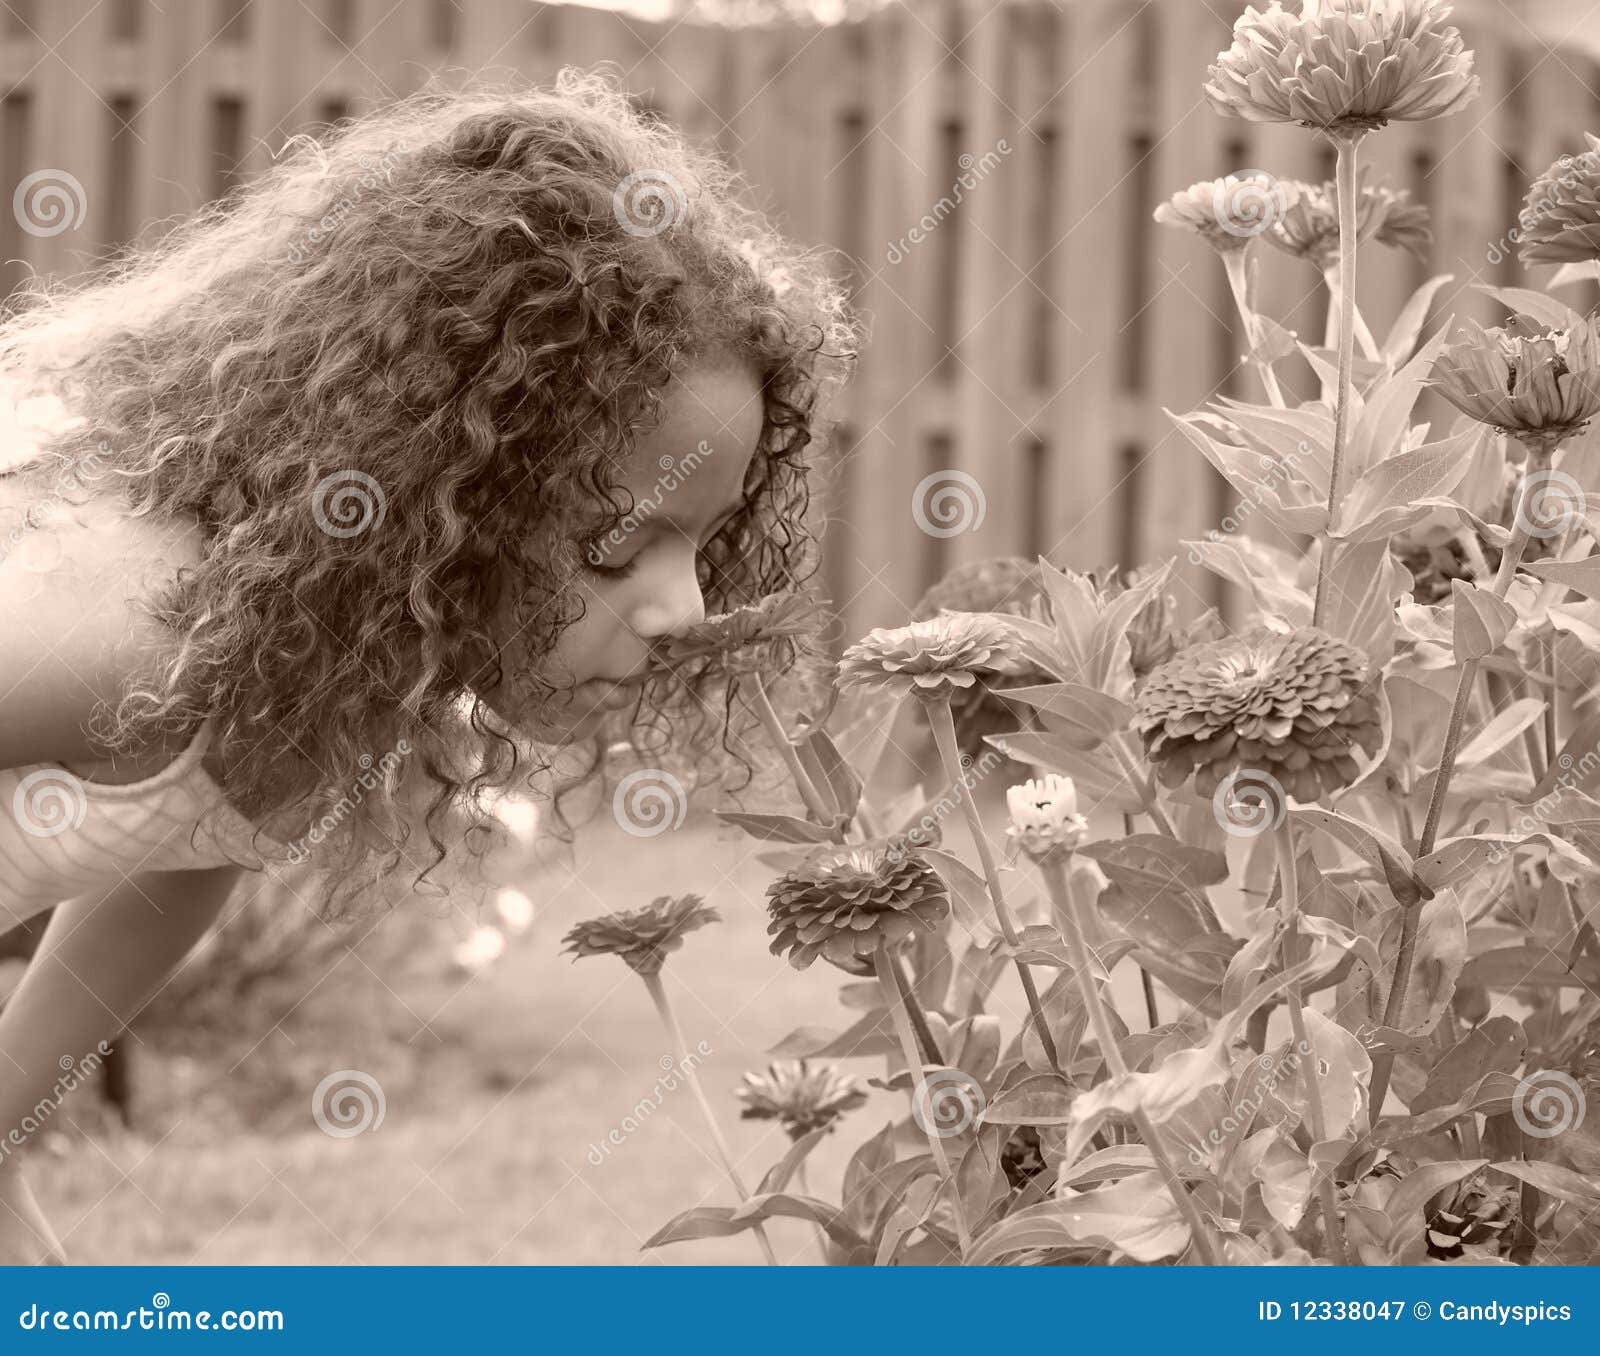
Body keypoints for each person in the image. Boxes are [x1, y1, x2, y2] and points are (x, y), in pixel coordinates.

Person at [0, 69, 855, 1262]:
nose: (686, 610)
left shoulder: (312, 637)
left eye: (703, 544)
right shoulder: (129, 626)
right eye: (618, 546)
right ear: (453, 484)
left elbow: (187, 837)